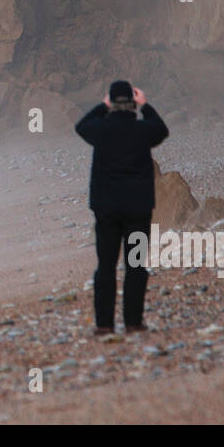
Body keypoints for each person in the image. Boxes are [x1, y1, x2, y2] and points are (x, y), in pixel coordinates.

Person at [74, 80, 169, 337]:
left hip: (106, 211)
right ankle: (133, 322)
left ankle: (104, 324)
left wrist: (102, 106)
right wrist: (145, 105)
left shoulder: (100, 129)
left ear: (112, 103)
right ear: (132, 103)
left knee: (105, 266)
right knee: (135, 265)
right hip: (138, 210)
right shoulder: (142, 130)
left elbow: (80, 126)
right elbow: (161, 130)